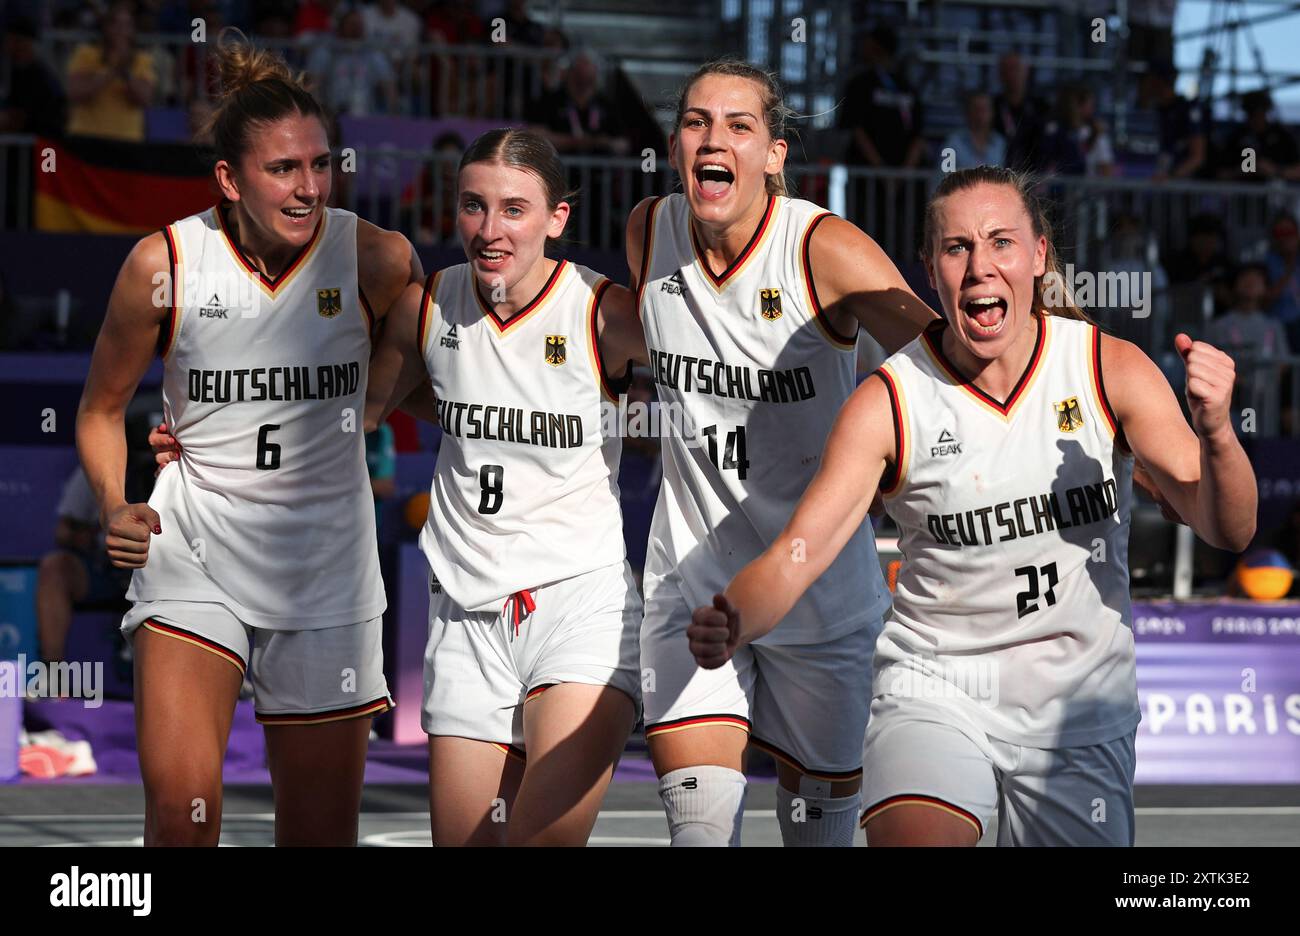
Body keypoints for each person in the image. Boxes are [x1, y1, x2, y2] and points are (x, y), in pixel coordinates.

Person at [690, 165, 1257, 846]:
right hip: (936, 689)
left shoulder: (1108, 368)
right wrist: (734, 618)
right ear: (930, 269)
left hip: (1078, 707)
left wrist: (1219, 433)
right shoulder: (890, 400)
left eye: (1001, 243)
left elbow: (1230, 526)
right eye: (957, 248)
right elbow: (799, 553)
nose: (980, 267)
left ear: (1039, 255)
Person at [76, 30, 423, 847]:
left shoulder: (374, 258)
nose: (309, 188)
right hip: (195, 551)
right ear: (229, 179)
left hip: (327, 568)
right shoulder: (162, 264)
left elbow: (429, 366)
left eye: (321, 164)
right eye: (284, 169)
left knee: (317, 833)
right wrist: (113, 503)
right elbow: (98, 408)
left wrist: (368, 411)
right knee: (181, 819)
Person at [629, 59, 936, 847]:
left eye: (739, 125)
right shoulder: (648, 233)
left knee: (817, 836)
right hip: (694, 587)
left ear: (774, 154)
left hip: (822, 594)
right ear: (674, 147)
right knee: (698, 833)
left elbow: (944, 364)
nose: (713, 139)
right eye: (697, 122)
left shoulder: (822, 249)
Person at [364, 128, 648, 846]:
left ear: (557, 218)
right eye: (473, 206)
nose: (490, 231)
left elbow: (724, 361)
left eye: (515, 210)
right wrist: (208, 439)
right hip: (465, 609)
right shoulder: (426, 307)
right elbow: (349, 413)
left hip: (579, 603)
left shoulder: (602, 312)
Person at [65, 1, 156, 142]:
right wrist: (110, 73)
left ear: (132, 30)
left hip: (127, 140)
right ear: (106, 27)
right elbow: (75, 93)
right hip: (86, 138)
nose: (121, 30)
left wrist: (126, 74)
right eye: (116, 24)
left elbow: (145, 99)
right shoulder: (85, 54)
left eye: (126, 25)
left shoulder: (141, 60)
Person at [941, 90, 1005, 170]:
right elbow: (942, 176)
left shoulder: (1000, 143)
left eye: (984, 109)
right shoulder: (953, 143)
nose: (980, 114)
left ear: (992, 113)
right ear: (967, 112)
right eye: (976, 109)